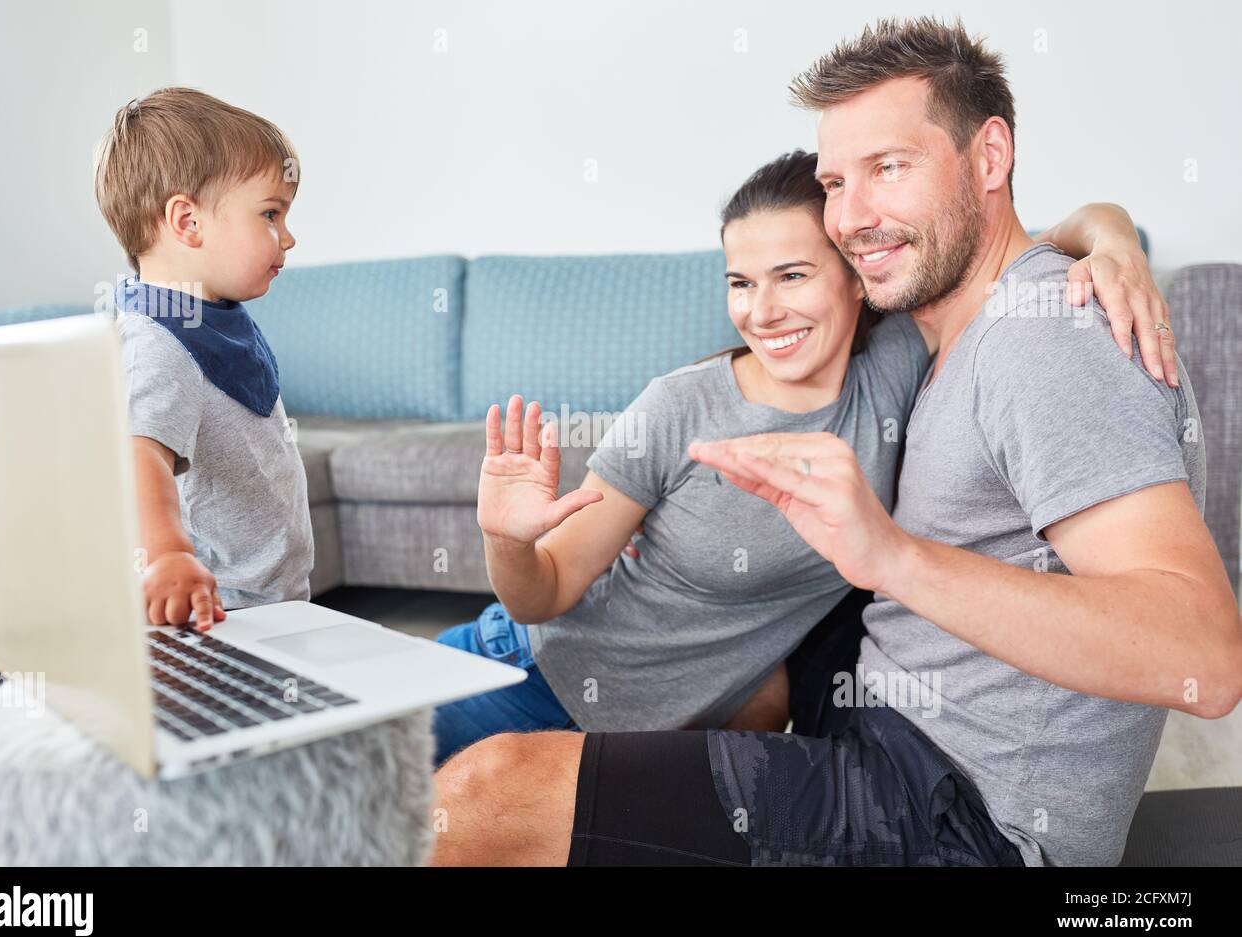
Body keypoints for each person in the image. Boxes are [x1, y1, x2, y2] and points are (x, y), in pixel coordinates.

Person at [429, 17, 1241, 867]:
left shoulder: (1045, 343)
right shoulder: (933, 329)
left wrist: (889, 556)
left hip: (960, 810)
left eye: (889, 168)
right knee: (746, 677)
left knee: (489, 796)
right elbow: (1061, 225)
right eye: (834, 183)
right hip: (881, 711)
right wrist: (1108, 230)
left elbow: (1205, 657)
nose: (852, 216)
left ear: (989, 157)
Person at [430, 148, 1166, 769]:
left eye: (792, 276)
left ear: (856, 274)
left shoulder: (898, 361)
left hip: (645, 744)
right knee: (339, 809)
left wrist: (1118, 242)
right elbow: (543, 594)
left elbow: (1046, 235)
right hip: (527, 671)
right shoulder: (676, 406)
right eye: (741, 283)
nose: (762, 311)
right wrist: (506, 539)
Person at [94, 88, 309, 630]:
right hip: (215, 615)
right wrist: (168, 555)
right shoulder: (157, 343)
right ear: (188, 222)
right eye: (270, 214)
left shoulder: (213, 317)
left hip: (267, 604)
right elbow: (138, 454)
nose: (288, 237)